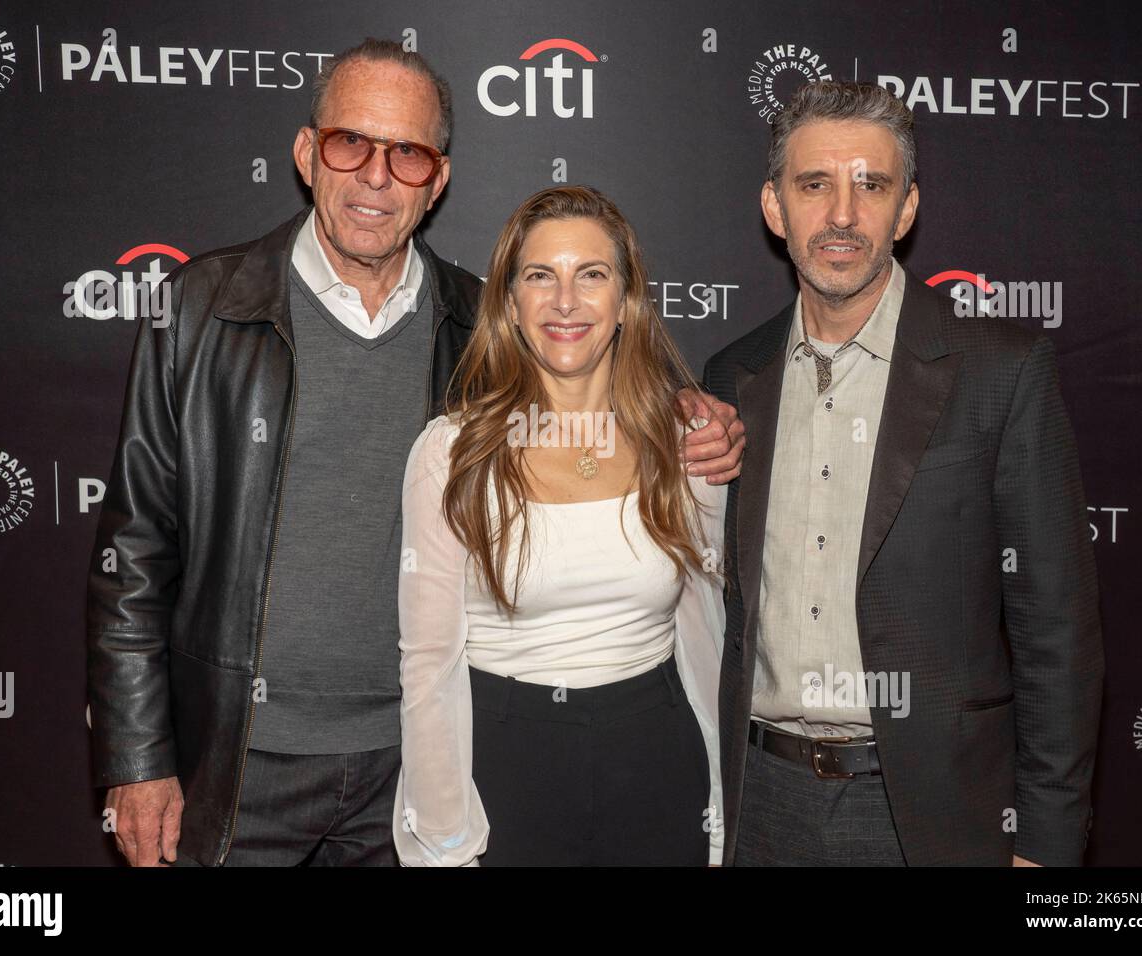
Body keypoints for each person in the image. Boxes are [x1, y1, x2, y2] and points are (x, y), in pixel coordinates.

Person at [86, 41, 745, 867]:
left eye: (408, 154)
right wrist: (138, 759)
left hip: (413, 758)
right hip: (241, 752)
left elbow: (597, 394)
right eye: (349, 142)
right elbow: (134, 551)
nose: (375, 176)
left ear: (437, 180)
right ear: (305, 153)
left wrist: (688, 413)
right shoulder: (204, 308)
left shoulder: (478, 322)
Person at [702, 81, 1104, 866]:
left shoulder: (1000, 371)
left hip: (928, 811)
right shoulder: (732, 376)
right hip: (762, 805)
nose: (843, 214)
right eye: (815, 185)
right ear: (775, 207)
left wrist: (1047, 845)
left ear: (906, 209)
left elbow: (1057, 627)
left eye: (872, 185)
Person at [392, 186, 727, 866]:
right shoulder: (450, 454)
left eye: (591, 275)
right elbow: (428, 664)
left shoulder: (685, 442)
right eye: (540, 276)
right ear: (510, 305)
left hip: (658, 755)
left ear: (626, 303)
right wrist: (444, 838)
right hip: (507, 763)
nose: (565, 301)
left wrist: (720, 799)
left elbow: (706, 631)